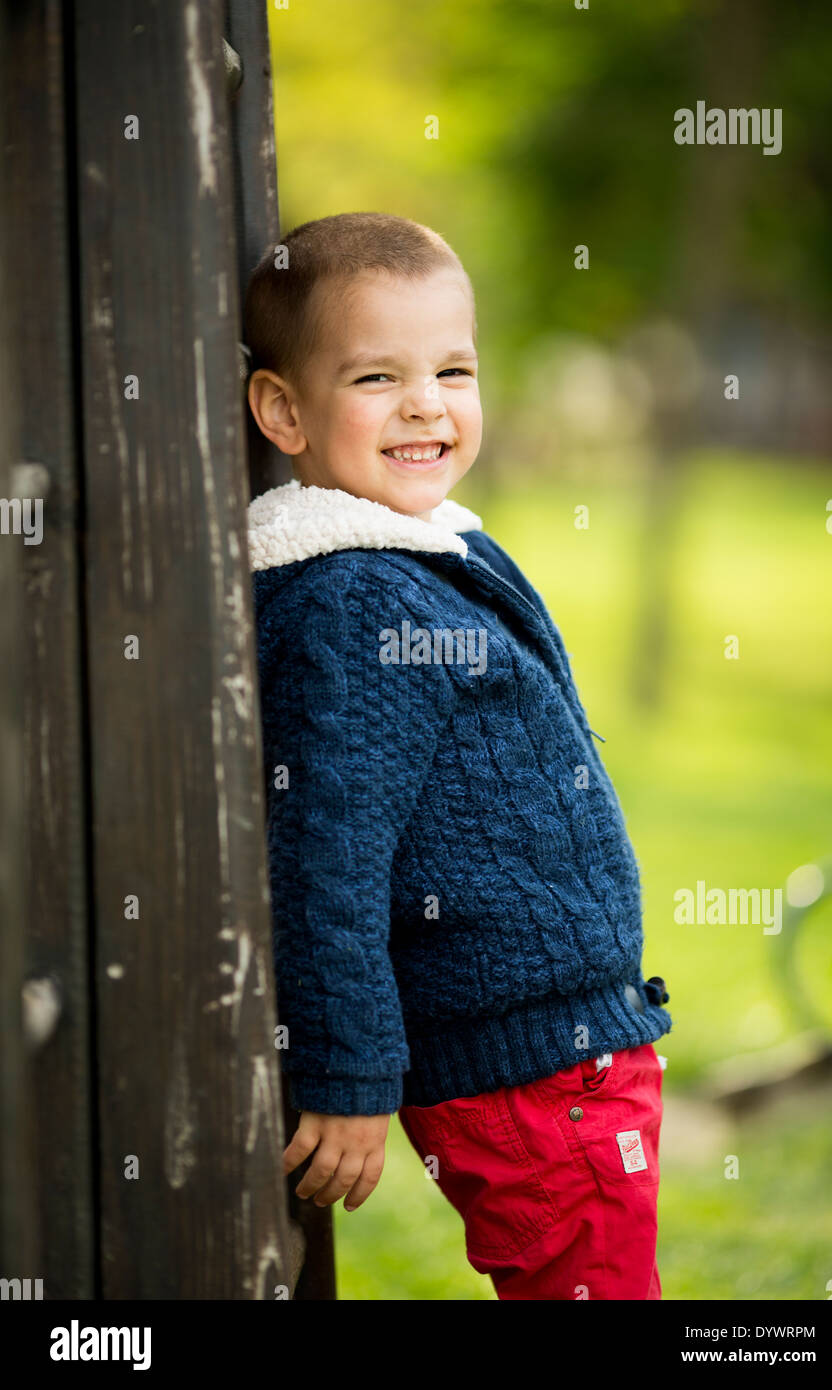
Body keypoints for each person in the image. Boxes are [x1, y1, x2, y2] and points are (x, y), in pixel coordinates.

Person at [244, 211, 673, 1300]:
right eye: (378, 377)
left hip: (566, 1047)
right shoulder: (354, 599)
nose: (426, 403)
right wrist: (344, 1076)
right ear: (284, 409)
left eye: (452, 369)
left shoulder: (423, 550)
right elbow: (326, 853)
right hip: (529, 1072)